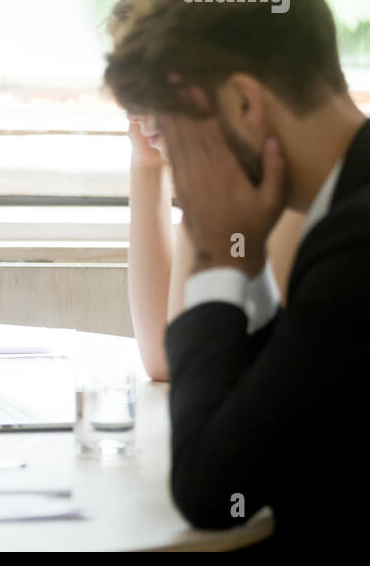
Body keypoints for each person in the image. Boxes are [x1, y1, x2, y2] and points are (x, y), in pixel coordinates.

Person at [103, 0, 370, 552]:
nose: (162, 144)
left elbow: (213, 489)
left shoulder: (369, 246)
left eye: (173, 124)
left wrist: (220, 256)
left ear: (246, 105)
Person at [121, 113, 304, 381]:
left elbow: (195, 366)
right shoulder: (223, 171)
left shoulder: (286, 183)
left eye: (148, 86)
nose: (133, 113)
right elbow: (165, 359)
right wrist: (146, 163)